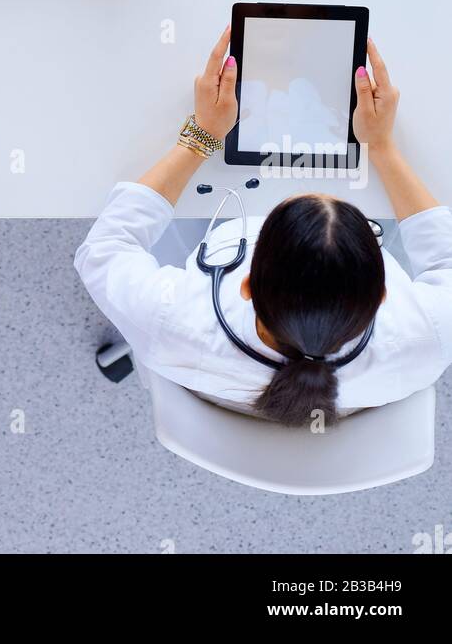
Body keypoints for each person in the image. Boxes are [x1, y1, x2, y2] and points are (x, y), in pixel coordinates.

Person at [75, 34, 452, 426]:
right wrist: (382, 147)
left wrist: (201, 136)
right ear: (383, 294)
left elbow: (105, 247)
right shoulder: (426, 341)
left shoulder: (171, 320)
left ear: (247, 284)